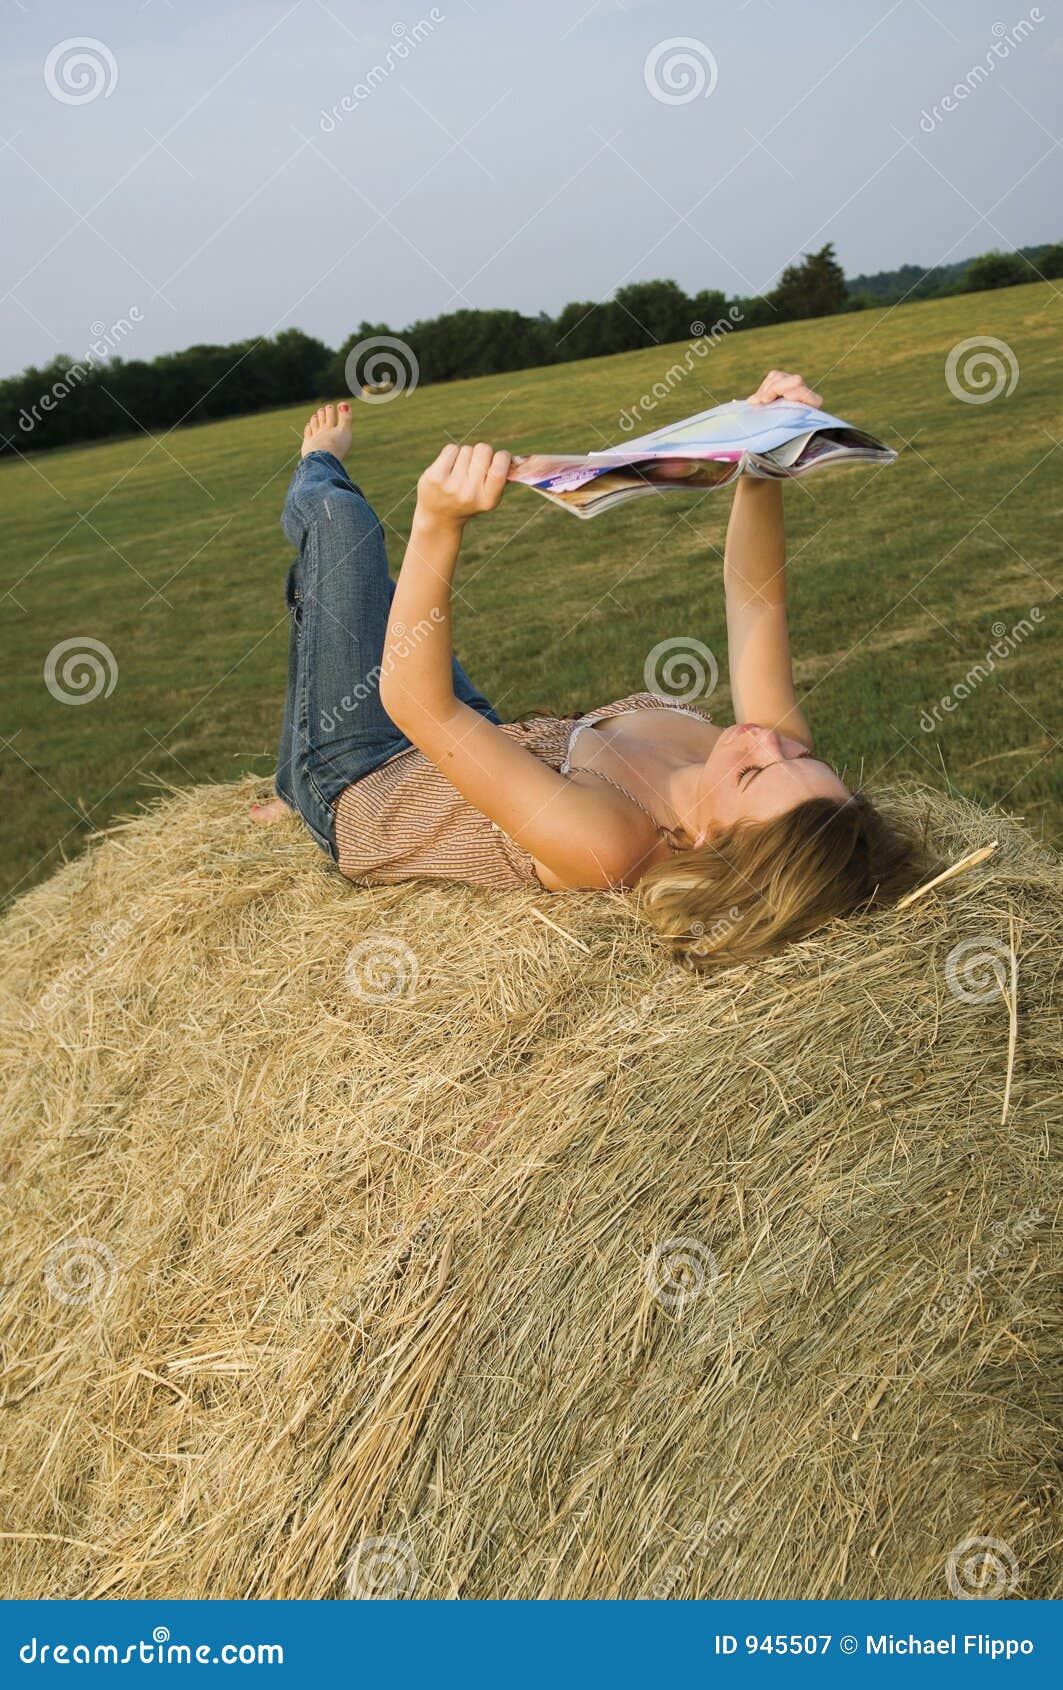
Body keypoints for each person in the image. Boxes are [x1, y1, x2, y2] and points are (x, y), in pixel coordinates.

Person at [252, 370, 924, 968]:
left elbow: (418, 705)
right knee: (367, 599)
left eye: (753, 772)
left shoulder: (608, 843)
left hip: (363, 775)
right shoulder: (773, 769)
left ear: (703, 842)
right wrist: (764, 446)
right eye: (798, 752)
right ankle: (304, 701)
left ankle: (317, 463)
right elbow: (757, 596)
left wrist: (438, 522)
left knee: (344, 534)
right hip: (476, 740)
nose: (762, 738)